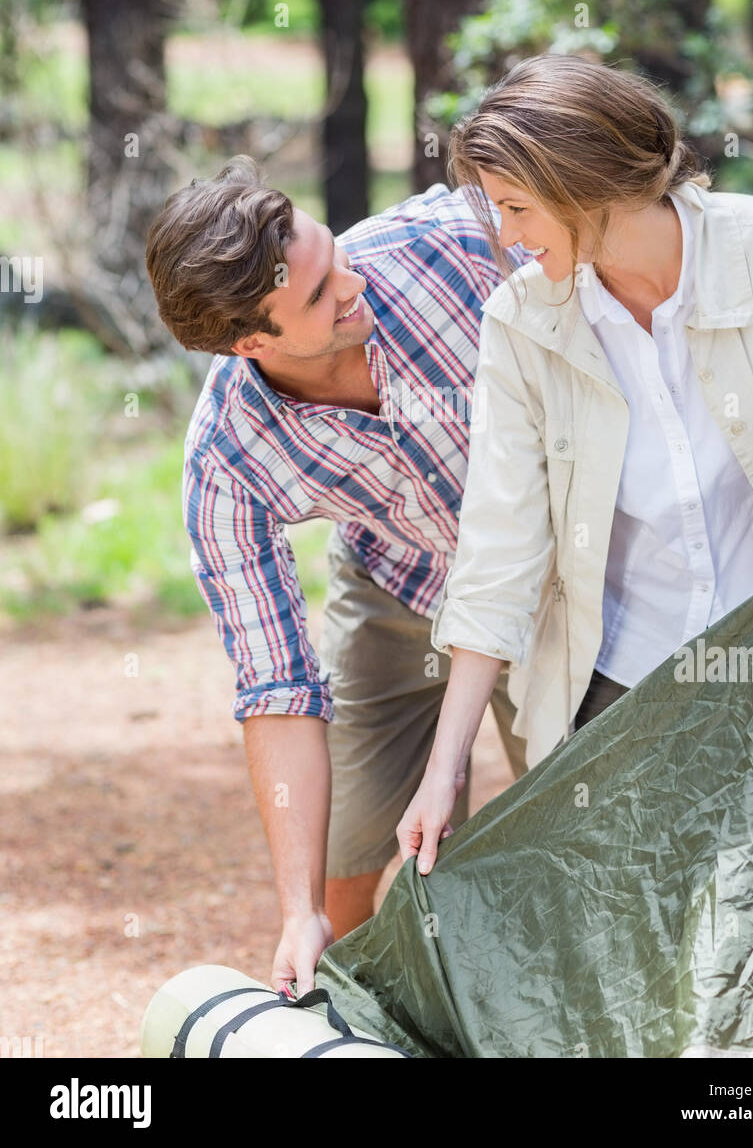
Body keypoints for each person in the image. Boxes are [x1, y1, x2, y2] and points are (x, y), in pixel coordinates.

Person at [397, 53, 753, 876]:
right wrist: (445, 772)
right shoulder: (520, 321)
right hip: (620, 689)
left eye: (516, 207)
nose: (505, 237)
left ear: (589, 185)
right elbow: (498, 546)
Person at [145, 160, 530, 995]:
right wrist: (296, 908)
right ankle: (350, 1025)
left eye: (331, 254)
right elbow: (276, 685)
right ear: (250, 343)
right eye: (319, 294)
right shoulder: (226, 460)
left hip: (557, 577)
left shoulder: (452, 245)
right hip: (399, 581)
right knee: (345, 862)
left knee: (584, 821)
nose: (354, 281)